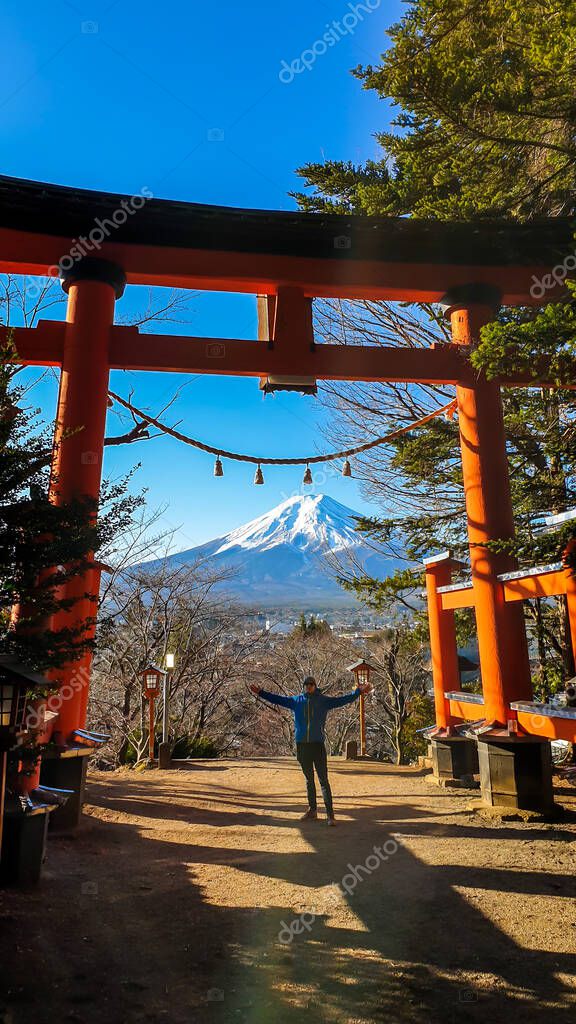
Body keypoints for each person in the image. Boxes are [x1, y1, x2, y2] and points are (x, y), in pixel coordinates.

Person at [249, 675, 371, 826]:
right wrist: (261, 692)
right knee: (309, 780)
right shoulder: (296, 701)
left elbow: (342, 700)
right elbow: (278, 699)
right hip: (302, 745)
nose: (309, 686)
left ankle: (330, 815)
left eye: (311, 684)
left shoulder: (323, 701)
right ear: (304, 686)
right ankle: (312, 810)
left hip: (317, 745)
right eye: (306, 684)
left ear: (315, 685)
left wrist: (358, 692)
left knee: (323, 781)